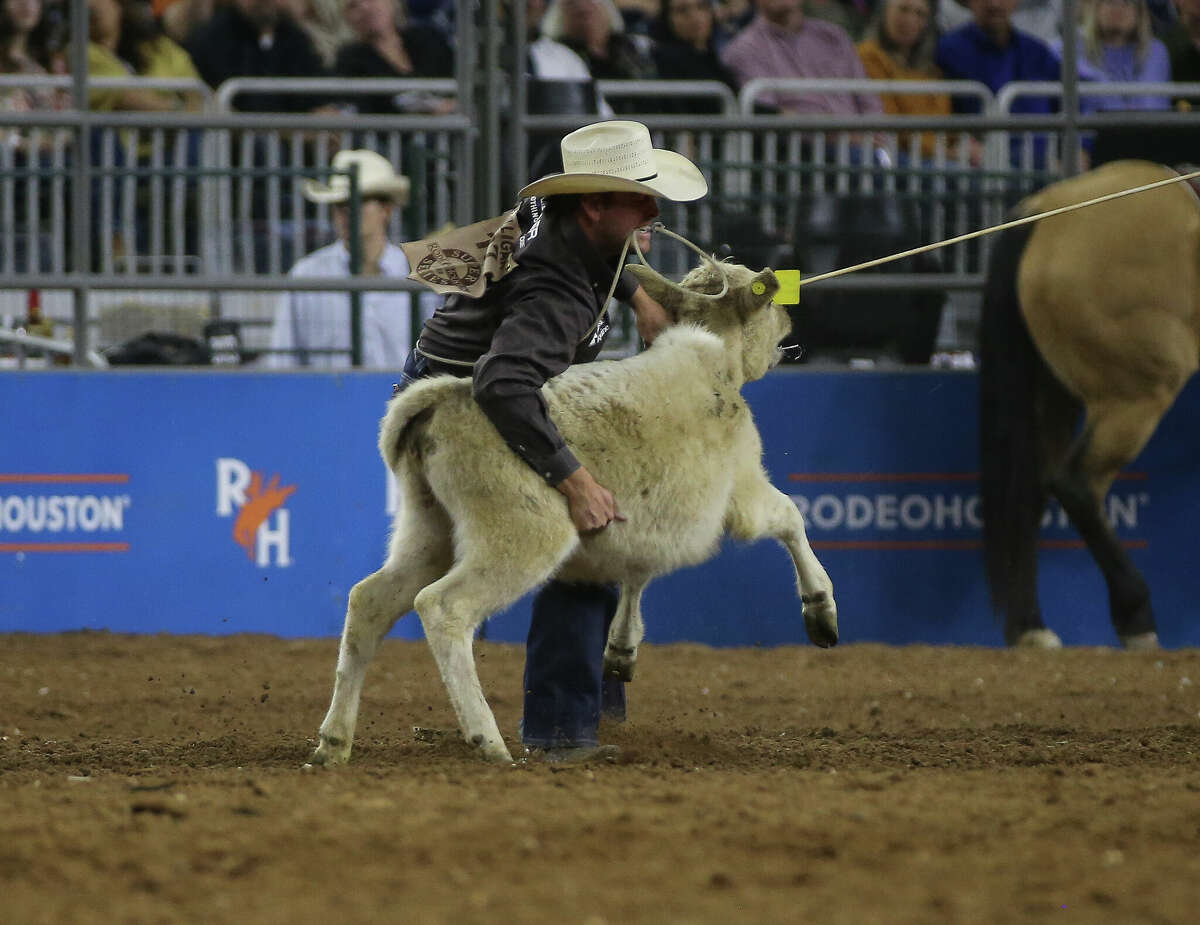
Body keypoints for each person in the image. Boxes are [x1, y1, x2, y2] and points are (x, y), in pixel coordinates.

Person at [399, 120, 707, 762]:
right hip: (473, 409)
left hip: (443, 397)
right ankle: (564, 730)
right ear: (593, 204)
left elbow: (586, 243)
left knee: (450, 563)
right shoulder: (558, 287)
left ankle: (581, 709)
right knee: (587, 533)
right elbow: (505, 383)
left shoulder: (558, 215)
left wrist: (637, 292)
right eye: (638, 197)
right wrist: (576, 479)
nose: (654, 209)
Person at [267, 149, 429, 368]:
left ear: (386, 210)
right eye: (339, 203)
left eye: (360, 200)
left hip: (402, 400)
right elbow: (282, 362)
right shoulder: (306, 275)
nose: (347, 210)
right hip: (327, 400)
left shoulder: (419, 273)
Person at [936, 0, 1060, 167]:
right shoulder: (948, 51)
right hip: (982, 170)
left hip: (1045, 167)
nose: (994, 4)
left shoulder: (1038, 52)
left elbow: (1070, 103)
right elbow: (939, 113)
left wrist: (1081, 148)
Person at [720, 0, 884, 118]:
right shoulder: (743, 50)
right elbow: (769, 120)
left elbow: (869, 101)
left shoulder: (834, 36)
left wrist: (871, 134)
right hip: (803, 154)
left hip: (864, 146)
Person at [857, 0, 968, 162]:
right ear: (884, 12)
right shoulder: (868, 56)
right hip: (897, 158)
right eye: (903, 9)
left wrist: (965, 144)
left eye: (920, 14)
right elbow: (892, 125)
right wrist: (944, 152)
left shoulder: (930, 69)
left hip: (933, 157)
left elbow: (944, 124)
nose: (910, 20)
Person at [333, 0, 455, 114]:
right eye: (353, 6)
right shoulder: (349, 59)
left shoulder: (428, 37)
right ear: (347, 18)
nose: (365, 8)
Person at [1053, 0, 1170, 113]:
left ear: (1140, 9)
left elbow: (1152, 107)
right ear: (1092, 5)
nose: (1118, 6)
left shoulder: (1155, 50)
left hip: (1141, 131)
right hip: (1088, 130)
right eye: (1109, 0)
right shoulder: (1067, 48)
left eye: (1127, 1)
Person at [652, 0, 738, 112]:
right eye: (682, 10)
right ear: (667, 18)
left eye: (702, 7)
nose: (694, 16)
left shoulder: (716, 62)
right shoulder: (663, 63)